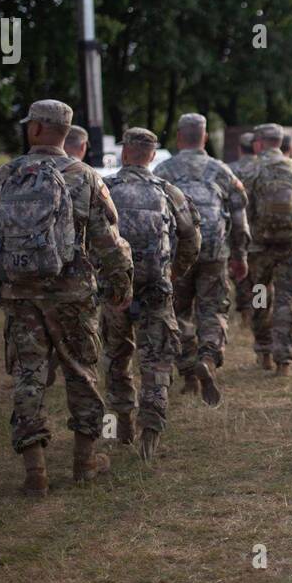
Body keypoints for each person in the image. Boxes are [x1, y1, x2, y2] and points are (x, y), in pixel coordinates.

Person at [0, 100, 133, 496]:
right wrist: (120, 283)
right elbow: (108, 241)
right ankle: (84, 462)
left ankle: (35, 470)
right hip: (72, 295)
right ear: (65, 132)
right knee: (80, 372)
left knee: (29, 376)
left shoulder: (6, 176)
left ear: (36, 130)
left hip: (20, 294)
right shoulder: (85, 177)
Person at [102, 128, 200, 461]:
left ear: (125, 153)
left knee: (117, 357)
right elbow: (192, 239)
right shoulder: (169, 192)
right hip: (157, 288)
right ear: (153, 157)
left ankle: (121, 424)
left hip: (116, 290)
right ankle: (151, 433)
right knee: (156, 360)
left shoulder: (106, 190)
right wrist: (174, 272)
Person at [154, 113, 250, 404]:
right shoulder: (220, 170)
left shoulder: (164, 170)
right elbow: (239, 217)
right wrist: (240, 255)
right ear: (205, 137)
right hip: (214, 253)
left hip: (177, 254)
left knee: (179, 312)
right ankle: (208, 359)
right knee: (213, 310)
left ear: (179, 137)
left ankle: (188, 374)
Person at [240, 122, 292, 376]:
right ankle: (284, 360)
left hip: (259, 247)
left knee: (261, 296)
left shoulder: (250, 170)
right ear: (282, 142)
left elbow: (241, 211)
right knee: (286, 300)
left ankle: (264, 351)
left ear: (258, 144)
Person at [229, 131, 259, 326]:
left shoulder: (231, 170)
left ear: (239, 149)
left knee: (240, 274)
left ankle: (246, 313)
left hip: (237, 229)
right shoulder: (262, 168)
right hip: (260, 231)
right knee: (259, 278)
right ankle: (258, 310)